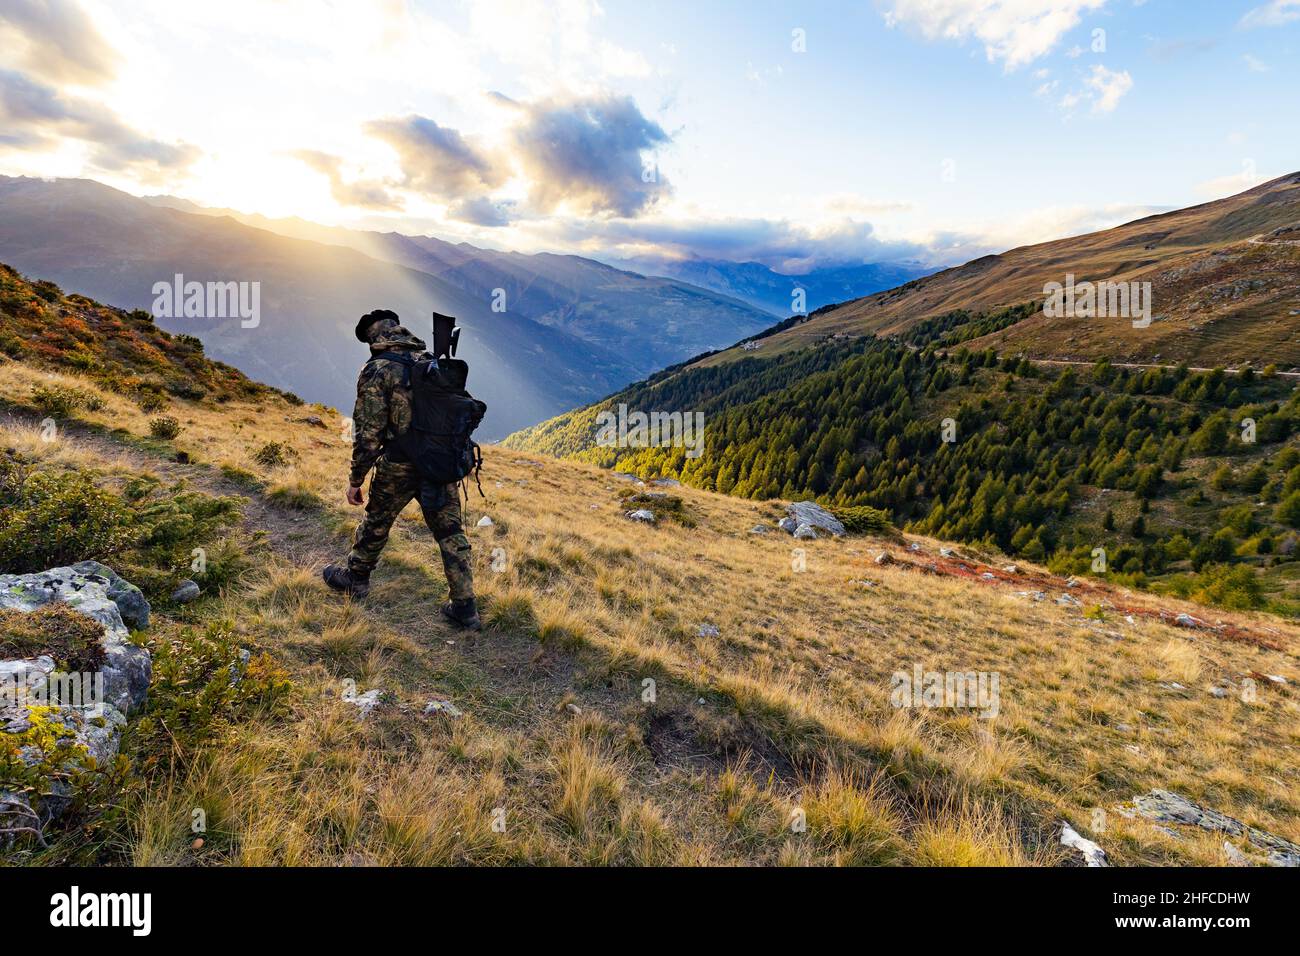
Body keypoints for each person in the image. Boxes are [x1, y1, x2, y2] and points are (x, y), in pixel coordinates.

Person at [322, 309, 481, 629]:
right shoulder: (431, 362)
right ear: (398, 329)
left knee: (377, 520)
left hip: (398, 464)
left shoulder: (377, 370)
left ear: (372, 338)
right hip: (438, 462)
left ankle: (356, 577)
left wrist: (356, 478)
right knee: (450, 532)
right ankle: (464, 605)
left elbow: (367, 432)